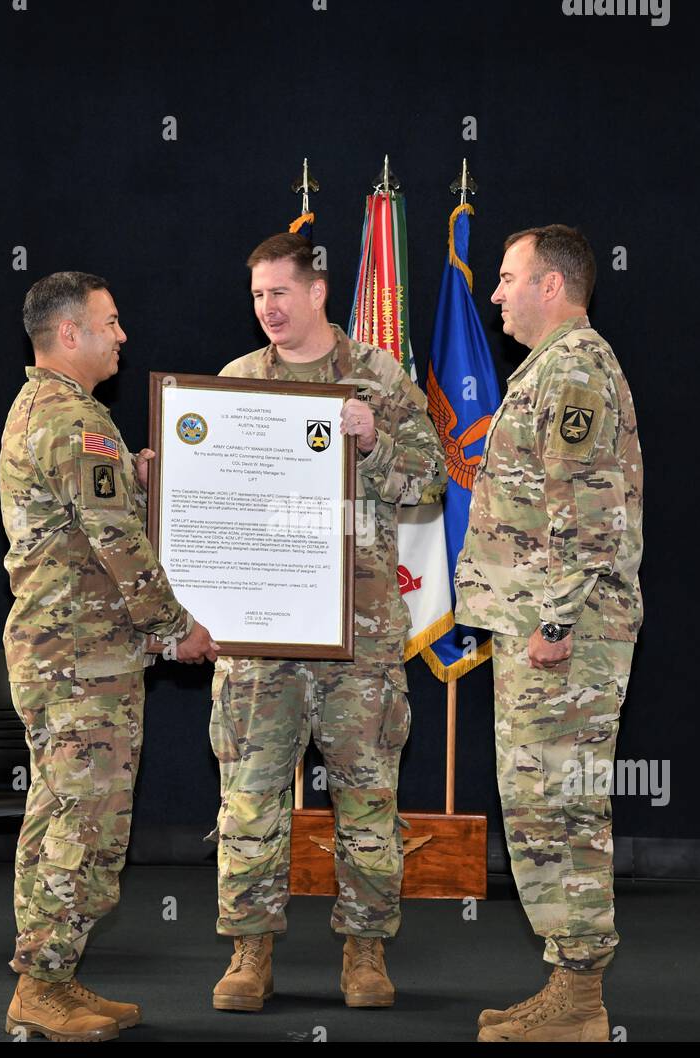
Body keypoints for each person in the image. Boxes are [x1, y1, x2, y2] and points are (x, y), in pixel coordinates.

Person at [208, 233, 447, 1011]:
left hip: (360, 634)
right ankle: (250, 951)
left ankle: (366, 950)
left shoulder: (380, 375)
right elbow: (211, 499)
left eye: (280, 292)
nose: (267, 309)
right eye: (256, 296)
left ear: (318, 291)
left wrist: (375, 446)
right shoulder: (236, 383)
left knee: (370, 799)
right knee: (249, 797)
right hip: (259, 635)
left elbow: (433, 484)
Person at [0, 271, 218, 1041]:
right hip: (83, 662)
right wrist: (174, 627)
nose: (122, 335)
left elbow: (89, 514)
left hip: (55, 655)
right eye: (111, 322)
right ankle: (42, 984)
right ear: (69, 335)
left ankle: (48, 974)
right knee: (86, 823)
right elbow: (117, 545)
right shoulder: (77, 423)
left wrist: (131, 473)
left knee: (55, 812)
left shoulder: (46, 412)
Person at [455, 226, 644, 1042]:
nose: (495, 294)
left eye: (506, 278)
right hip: (540, 623)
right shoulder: (554, 368)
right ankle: (569, 985)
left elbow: (585, 516)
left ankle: (578, 996)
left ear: (552, 286)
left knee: (561, 804)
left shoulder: (574, 370)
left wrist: (558, 620)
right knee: (541, 804)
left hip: (562, 632)